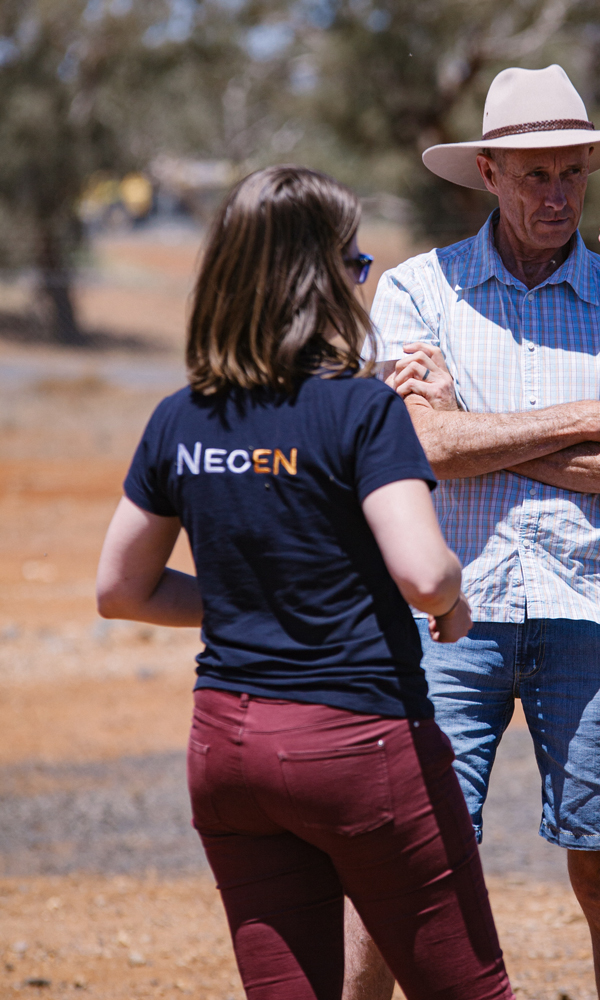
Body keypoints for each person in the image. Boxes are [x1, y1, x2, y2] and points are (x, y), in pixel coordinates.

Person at [95, 165, 514, 1000]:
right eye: (355, 265)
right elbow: (425, 572)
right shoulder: (361, 410)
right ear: (318, 280)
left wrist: (260, 600)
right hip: (357, 742)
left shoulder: (180, 417)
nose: (365, 283)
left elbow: (121, 590)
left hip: (226, 749)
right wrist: (455, 601)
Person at [347, 64, 600, 1000]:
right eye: (536, 175)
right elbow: (418, 446)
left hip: (597, 605)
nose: (559, 193)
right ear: (487, 174)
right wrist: (588, 416)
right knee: (405, 875)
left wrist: (467, 435)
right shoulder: (418, 290)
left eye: (573, 172)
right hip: (450, 611)